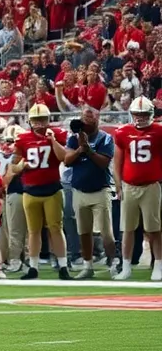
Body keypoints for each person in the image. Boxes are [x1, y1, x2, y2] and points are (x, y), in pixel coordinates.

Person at [7, 104, 70, 279]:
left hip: (52, 189)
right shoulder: (22, 139)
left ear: (48, 120)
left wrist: (53, 141)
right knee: (33, 231)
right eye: (36, 120)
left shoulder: (57, 134)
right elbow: (14, 166)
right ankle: (33, 267)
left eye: (42, 119)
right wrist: (22, 165)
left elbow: (63, 157)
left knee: (56, 229)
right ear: (30, 121)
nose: (39, 124)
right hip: (30, 191)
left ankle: (63, 266)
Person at [111, 97, 162, 281]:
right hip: (129, 186)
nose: (139, 118)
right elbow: (117, 162)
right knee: (127, 228)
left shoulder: (158, 130)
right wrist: (118, 185)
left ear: (151, 114)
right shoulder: (123, 132)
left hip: (151, 185)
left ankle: (158, 265)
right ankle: (126, 267)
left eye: (143, 114)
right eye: (137, 115)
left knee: (154, 229)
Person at [63, 106, 114, 279]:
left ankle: (113, 263)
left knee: (106, 232)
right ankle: (88, 265)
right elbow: (67, 160)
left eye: (90, 117)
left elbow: (103, 163)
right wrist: (79, 149)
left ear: (97, 119)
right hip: (79, 190)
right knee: (83, 231)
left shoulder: (105, 138)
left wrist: (89, 150)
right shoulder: (73, 139)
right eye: (84, 118)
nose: (86, 121)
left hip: (100, 189)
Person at [0, 120, 25, 277]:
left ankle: (24, 260)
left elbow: (10, 174)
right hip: (5, 192)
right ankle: (4, 259)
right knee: (4, 229)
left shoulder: (24, 150)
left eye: (11, 141)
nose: (7, 144)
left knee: (21, 230)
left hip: (21, 191)